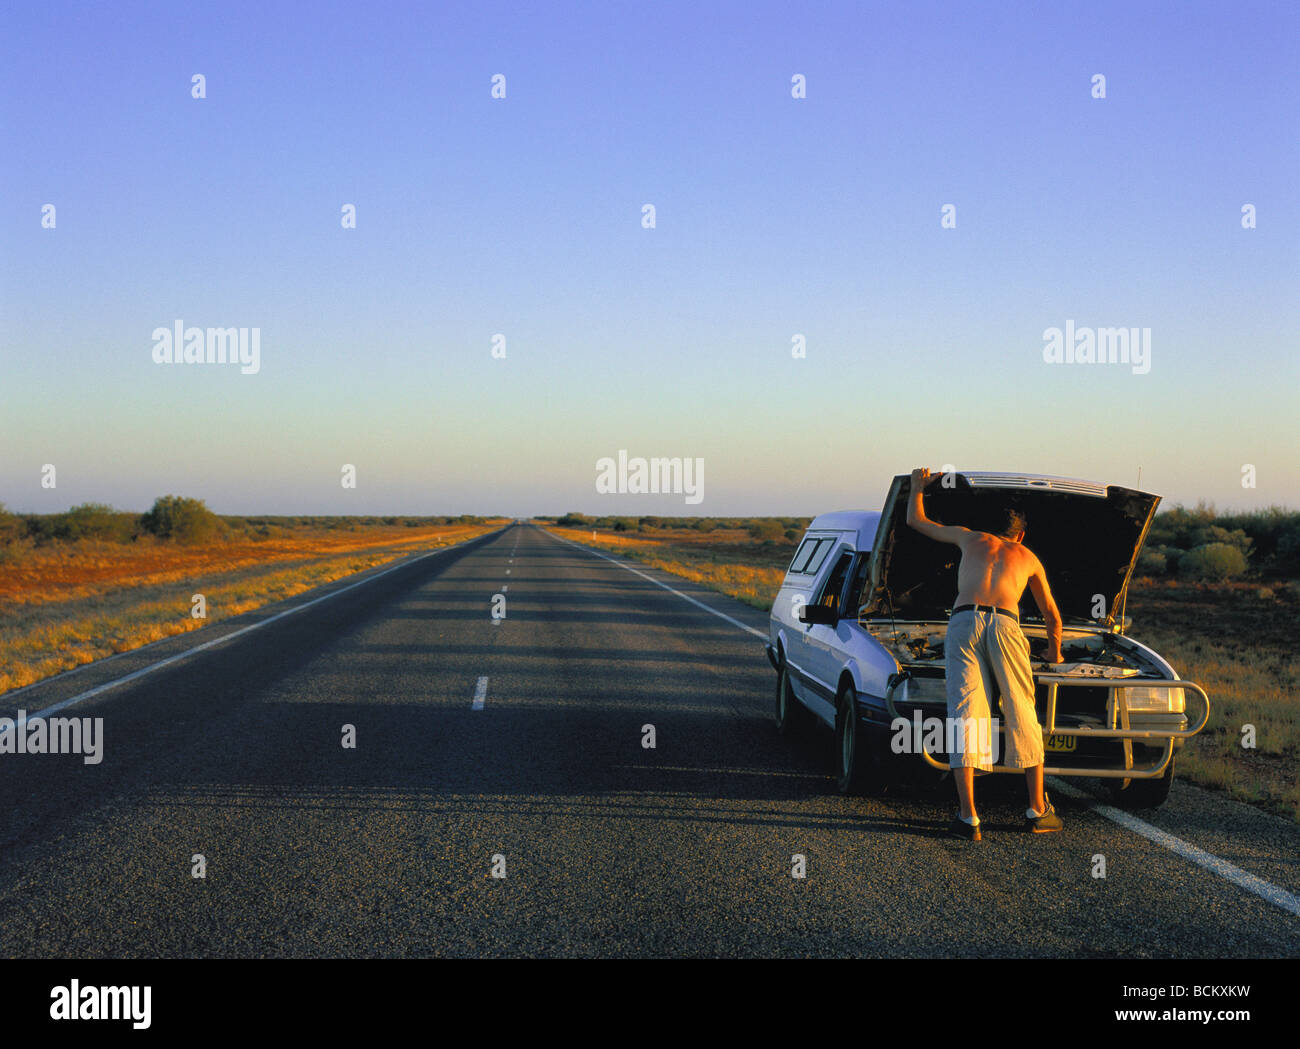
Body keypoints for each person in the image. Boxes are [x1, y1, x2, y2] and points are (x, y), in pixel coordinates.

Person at [905, 467, 1065, 840]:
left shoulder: (969, 538)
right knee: (1021, 710)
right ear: (1020, 534)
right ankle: (1037, 810)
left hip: (964, 621)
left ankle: (968, 817)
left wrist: (917, 487)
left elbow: (916, 520)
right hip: (1006, 625)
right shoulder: (1028, 557)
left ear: (988, 527)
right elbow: (1052, 617)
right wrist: (1055, 654)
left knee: (966, 713)